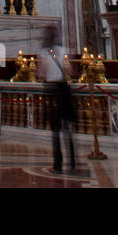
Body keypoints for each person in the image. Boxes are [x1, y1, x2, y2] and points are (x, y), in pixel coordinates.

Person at [39, 35, 76, 174]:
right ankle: (72, 162)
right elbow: (70, 70)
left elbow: (41, 73)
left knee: (55, 130)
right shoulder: (62, 50)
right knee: (67, 128)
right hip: (65, 91)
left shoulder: (44, 52)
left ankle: (57, 165)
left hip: (53, 92)